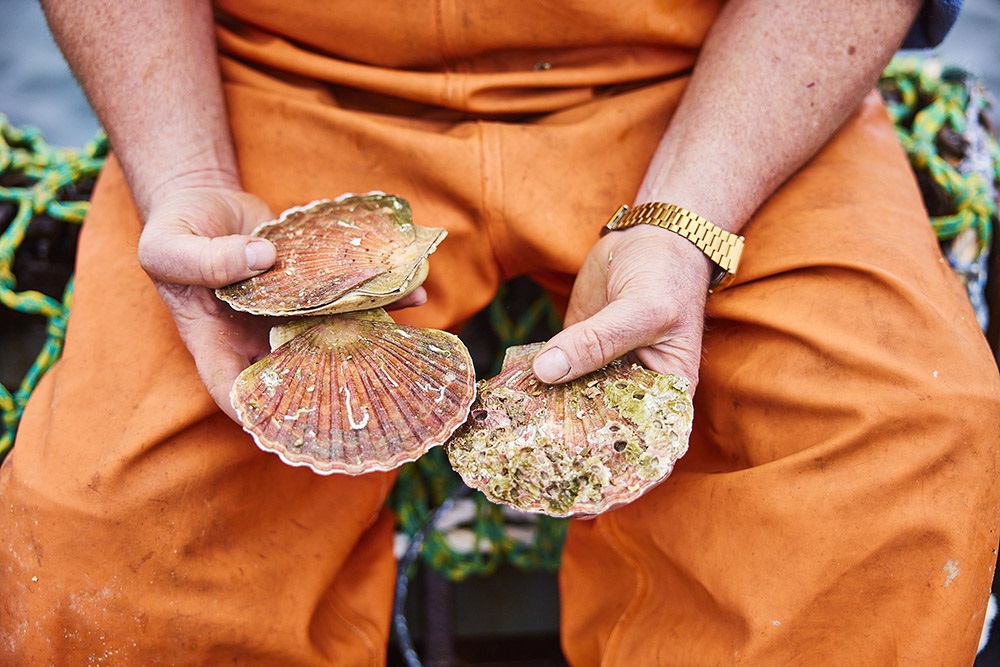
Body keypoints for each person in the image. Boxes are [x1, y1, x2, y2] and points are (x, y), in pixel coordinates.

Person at [1, 0, 997, 664]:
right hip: (270, 80)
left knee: (900, 442)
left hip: (725, 87)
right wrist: (181, 173)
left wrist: (686, 217)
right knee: (110, 524)